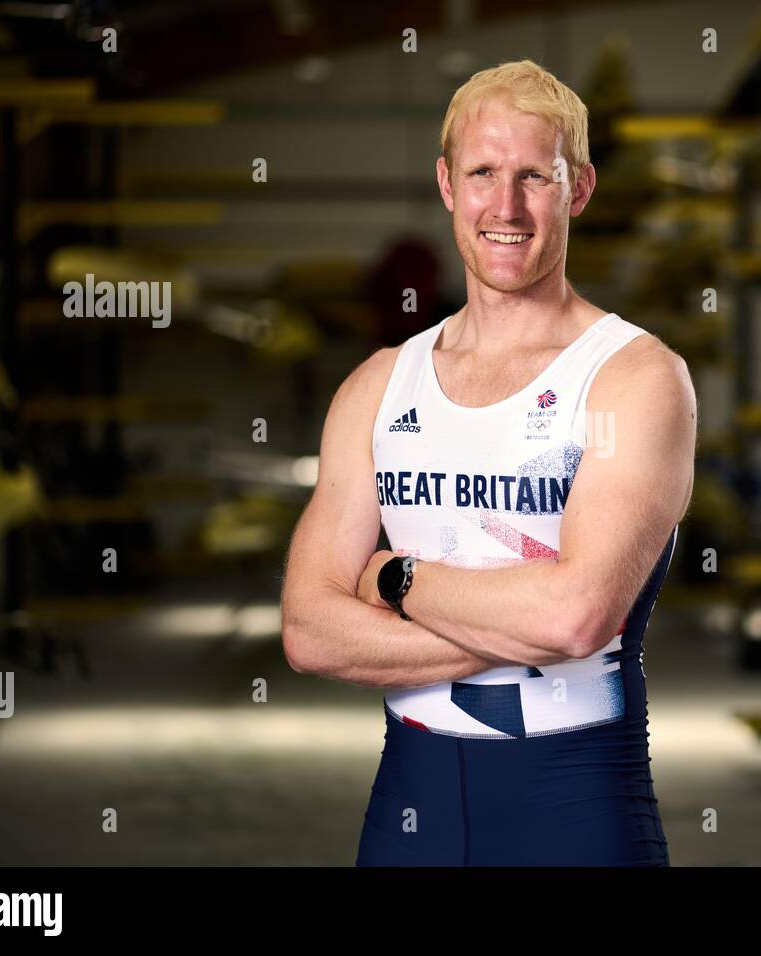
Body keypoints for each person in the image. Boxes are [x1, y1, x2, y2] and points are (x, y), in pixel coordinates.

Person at [280, 59, 696, 866]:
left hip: (574, 805)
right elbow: (307, 632)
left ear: (579, 189)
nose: (505, 207)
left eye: (535, 176)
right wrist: (522, 625)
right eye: (482, 173)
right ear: (446, 184)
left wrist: (394, 584)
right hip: (410, 808)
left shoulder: (634, 378)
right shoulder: (377, 386)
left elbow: (575, 618)